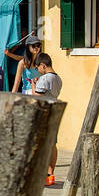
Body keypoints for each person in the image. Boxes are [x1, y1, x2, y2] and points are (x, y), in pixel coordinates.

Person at [28, 52, 62, 186]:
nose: (37, 71)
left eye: (37, 68)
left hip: (43, 113)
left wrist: (33, 86)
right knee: (52, 144)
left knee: (40, 145)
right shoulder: (58, 78)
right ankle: (50, 174)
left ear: (43, 65)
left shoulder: (44, 79)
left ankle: (41, 174)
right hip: (54, 111)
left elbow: (38, 96)